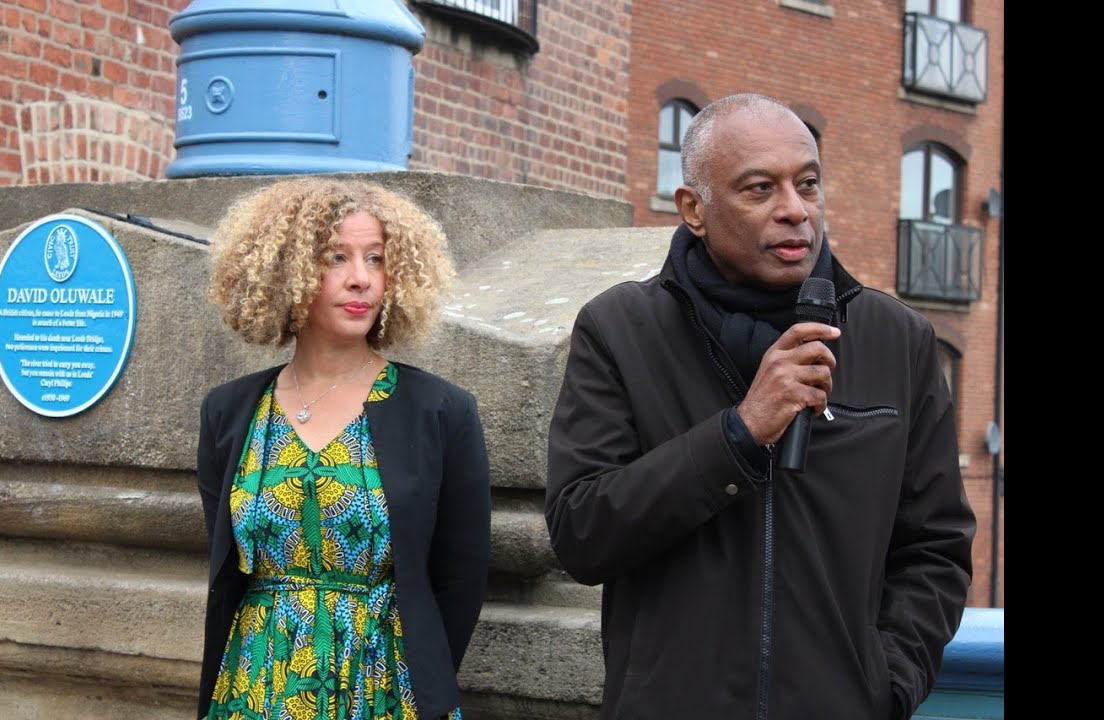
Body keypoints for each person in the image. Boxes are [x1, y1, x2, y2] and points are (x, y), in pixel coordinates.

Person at [544, 93, 975, 719]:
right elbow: (582, 534)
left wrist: (886, 687)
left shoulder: (898, 339)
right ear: (694, 208)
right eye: (759, 190)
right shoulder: (619, 330)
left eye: (807, 184)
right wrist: (738, 436)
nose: (794, 211)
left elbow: (935, 546)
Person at [197, 177, 491, 720]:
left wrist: (413, 675)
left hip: (385, 686)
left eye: (376, 260)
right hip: (257, 685)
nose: (361, 280)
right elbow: (226, 578)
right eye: (337, 258)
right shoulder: (231, 413)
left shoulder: (440, 411)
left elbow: (461, 576)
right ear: (286, 271)